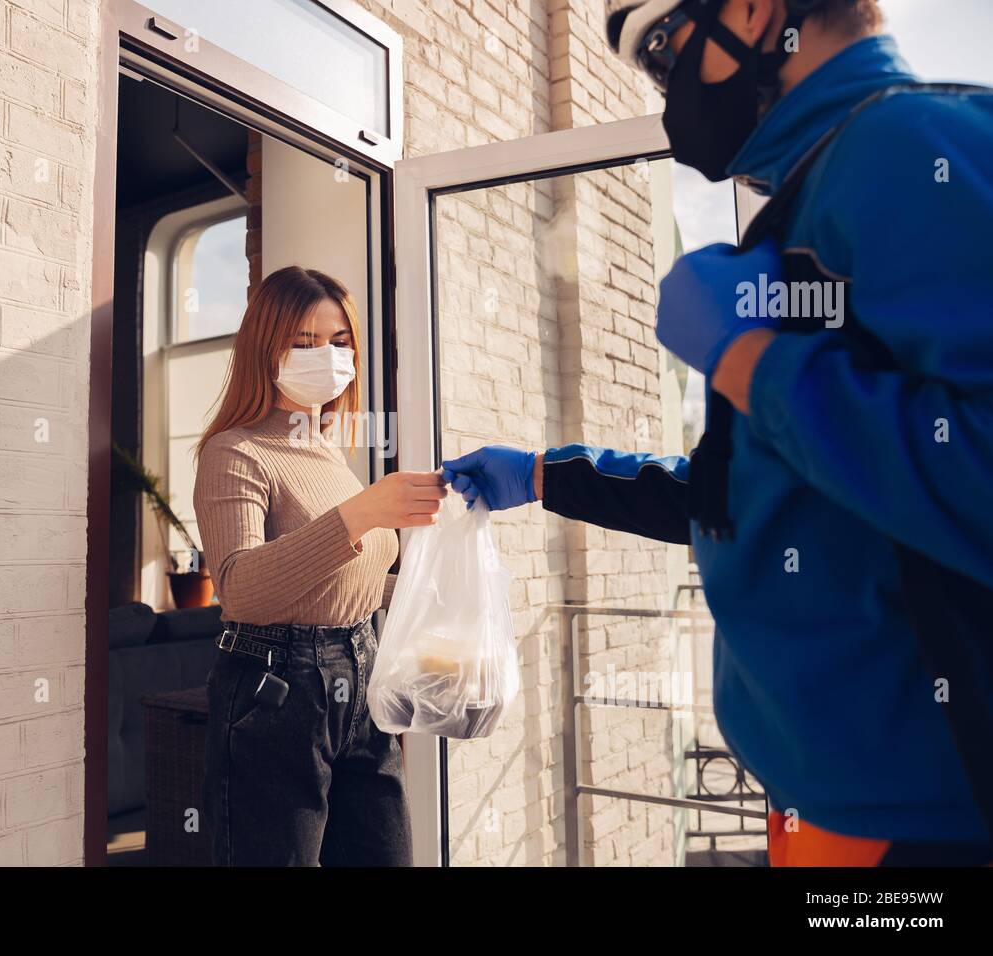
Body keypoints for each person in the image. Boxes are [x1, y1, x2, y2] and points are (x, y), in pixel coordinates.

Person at [445, 0, 993, 865]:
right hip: (840, 803)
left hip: (929, 821)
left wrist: (748, 359)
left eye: (664, 50)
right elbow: (768, 495)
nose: (667, 95)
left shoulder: (905, 149)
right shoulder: (819, 189)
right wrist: (548, 475)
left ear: (751, 10)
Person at [194, 265, 446, 866]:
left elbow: (335, 580)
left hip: (359, 674)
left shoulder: (326, 447)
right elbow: (240, 589)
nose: (326, 357)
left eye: (339, 342)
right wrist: (361, 514)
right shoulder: (235, 451)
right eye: (304, 342)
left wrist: (416, 588)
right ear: (265, 346)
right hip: (276, 692)